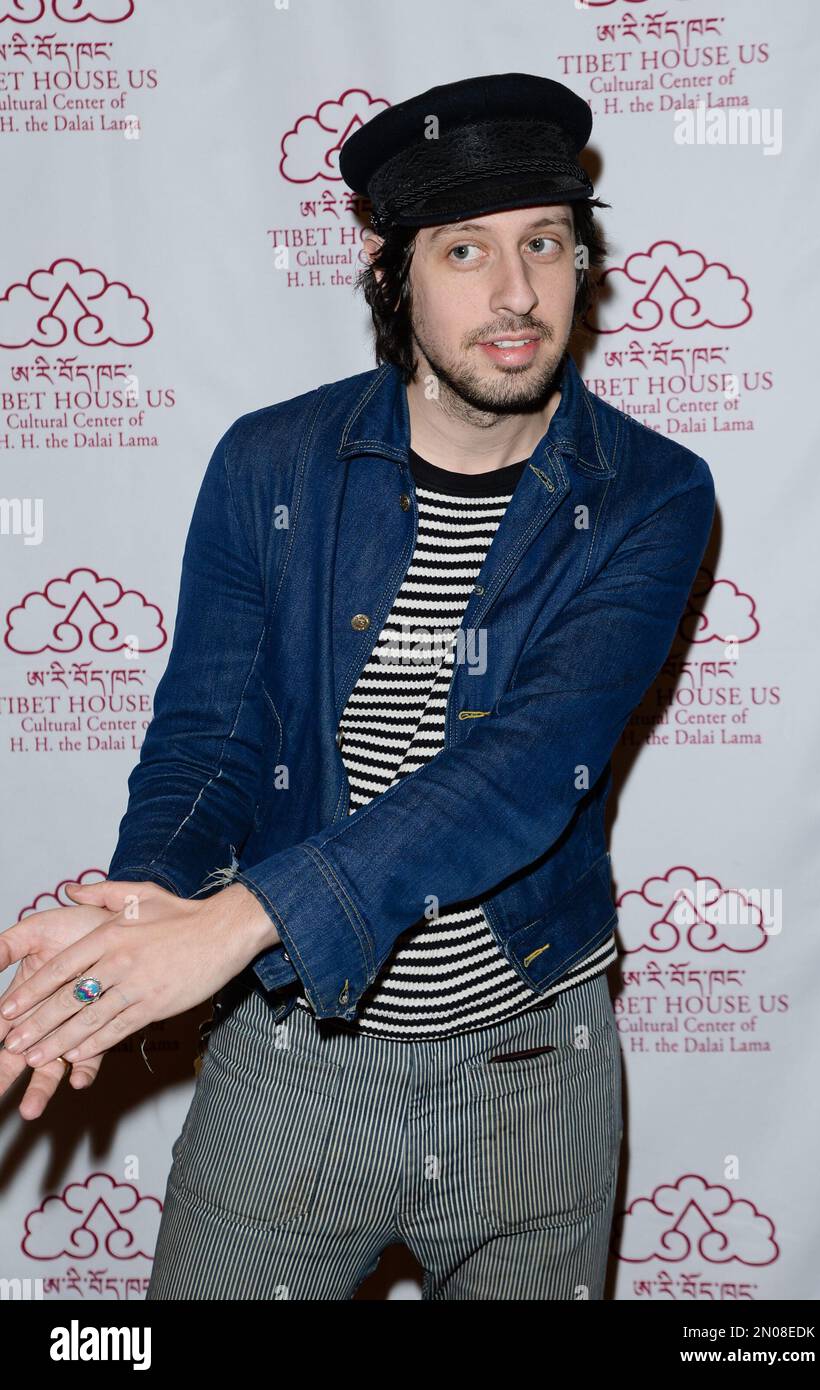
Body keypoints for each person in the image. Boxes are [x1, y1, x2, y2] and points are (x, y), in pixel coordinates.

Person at [0, 72, 715, 1299]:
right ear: (386, 267)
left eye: (544, 243)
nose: (514, 295)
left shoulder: (651, 493)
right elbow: (210, 740)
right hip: (294, 1059)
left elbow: (528, 768)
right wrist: (139, 916)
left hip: (531, 1064)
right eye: (462, 251)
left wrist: (230, 925)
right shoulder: (271, 463)